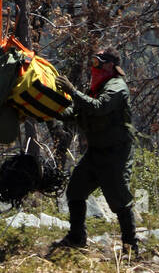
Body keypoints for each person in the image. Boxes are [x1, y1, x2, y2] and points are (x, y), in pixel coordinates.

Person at [53, 49, 138, 251]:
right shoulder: (97, 87)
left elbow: (99, 107)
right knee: (75, 190)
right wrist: (48, 110)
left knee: (119, 199)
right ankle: (76, 237)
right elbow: (75, 112)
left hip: (115, 153)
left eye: (98, 62)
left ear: (109, 65)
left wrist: (73, 91)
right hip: (96, 151)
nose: (94, 66)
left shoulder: (116, 87)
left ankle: (130, 246)